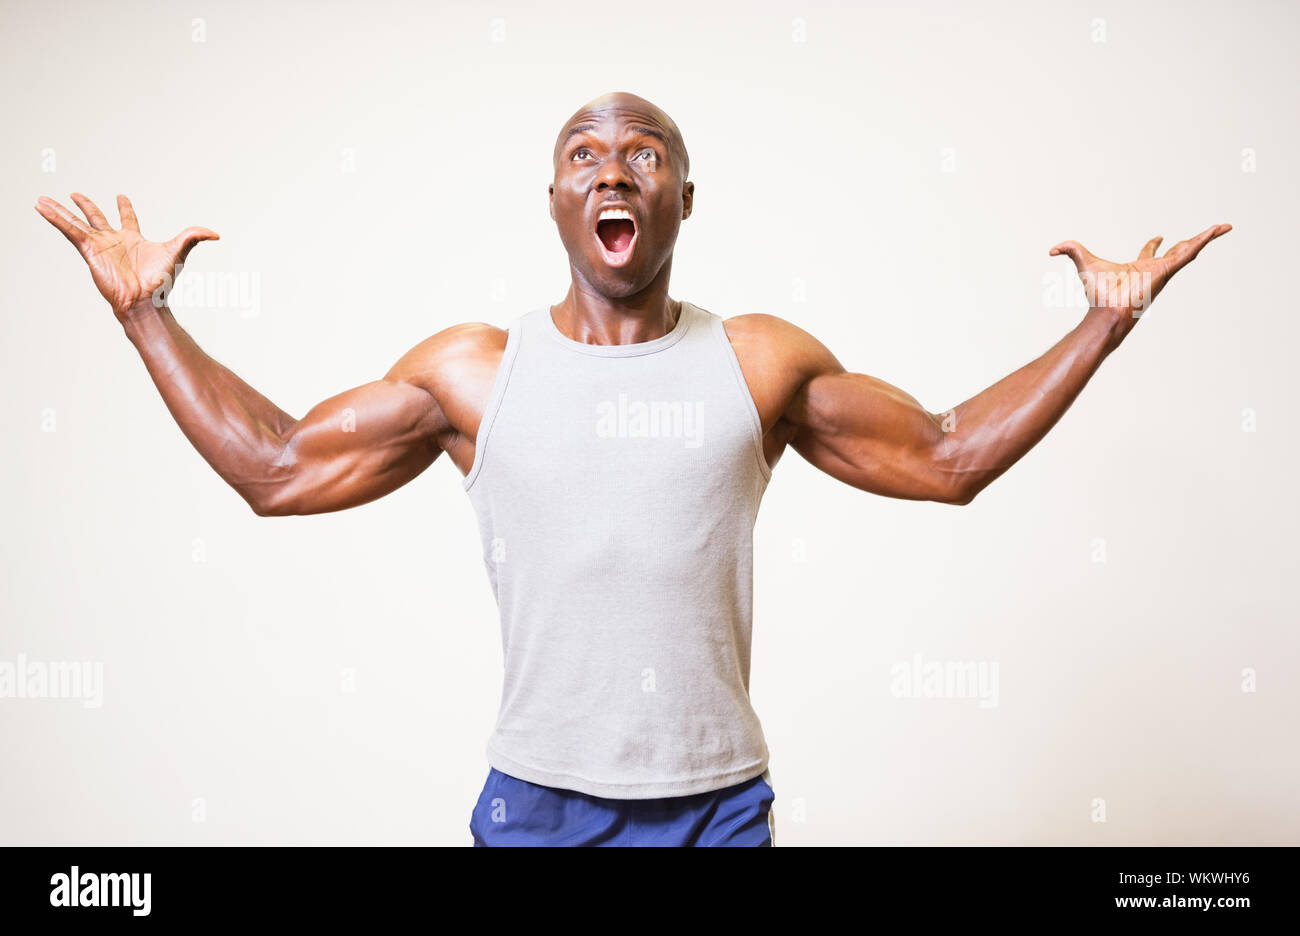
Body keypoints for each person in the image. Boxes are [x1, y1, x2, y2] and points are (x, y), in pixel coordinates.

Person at [34, 91, 1231, 846]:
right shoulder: (473, 375)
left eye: (644, 153)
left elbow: (948, 454)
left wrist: (1099, 326)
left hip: (718, 808)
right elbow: (277, 469)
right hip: (538, 806)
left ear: (680, 199)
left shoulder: (757, 363)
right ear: (558, 201)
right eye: (585, 156)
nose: (614, 169)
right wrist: (147, 320)